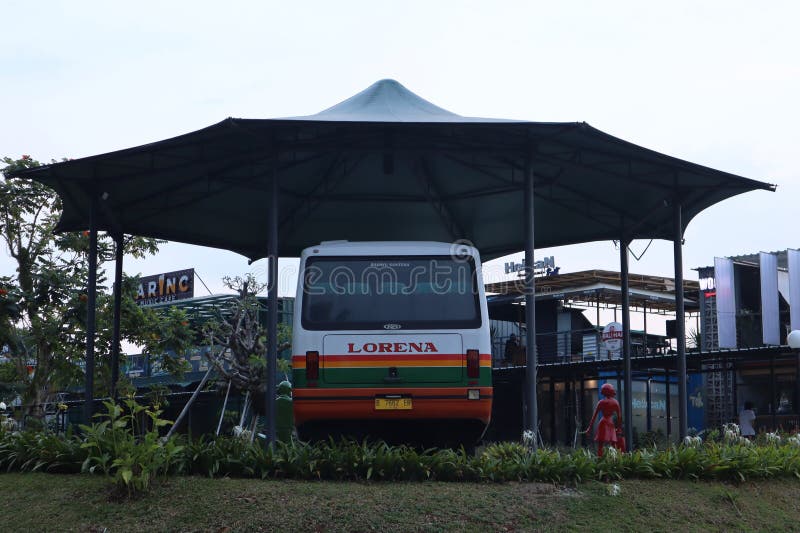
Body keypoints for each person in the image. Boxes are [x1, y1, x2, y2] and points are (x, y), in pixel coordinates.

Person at [583, 383, 622, 456]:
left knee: (600, 445)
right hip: (610, 423)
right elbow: (619, 417)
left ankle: (600, 458)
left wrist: (589, 428)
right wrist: (619, 428)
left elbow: (594, 416)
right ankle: (614, 459)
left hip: (603, 422)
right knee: (613, 443)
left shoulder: (601, 402)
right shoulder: (615, 402)